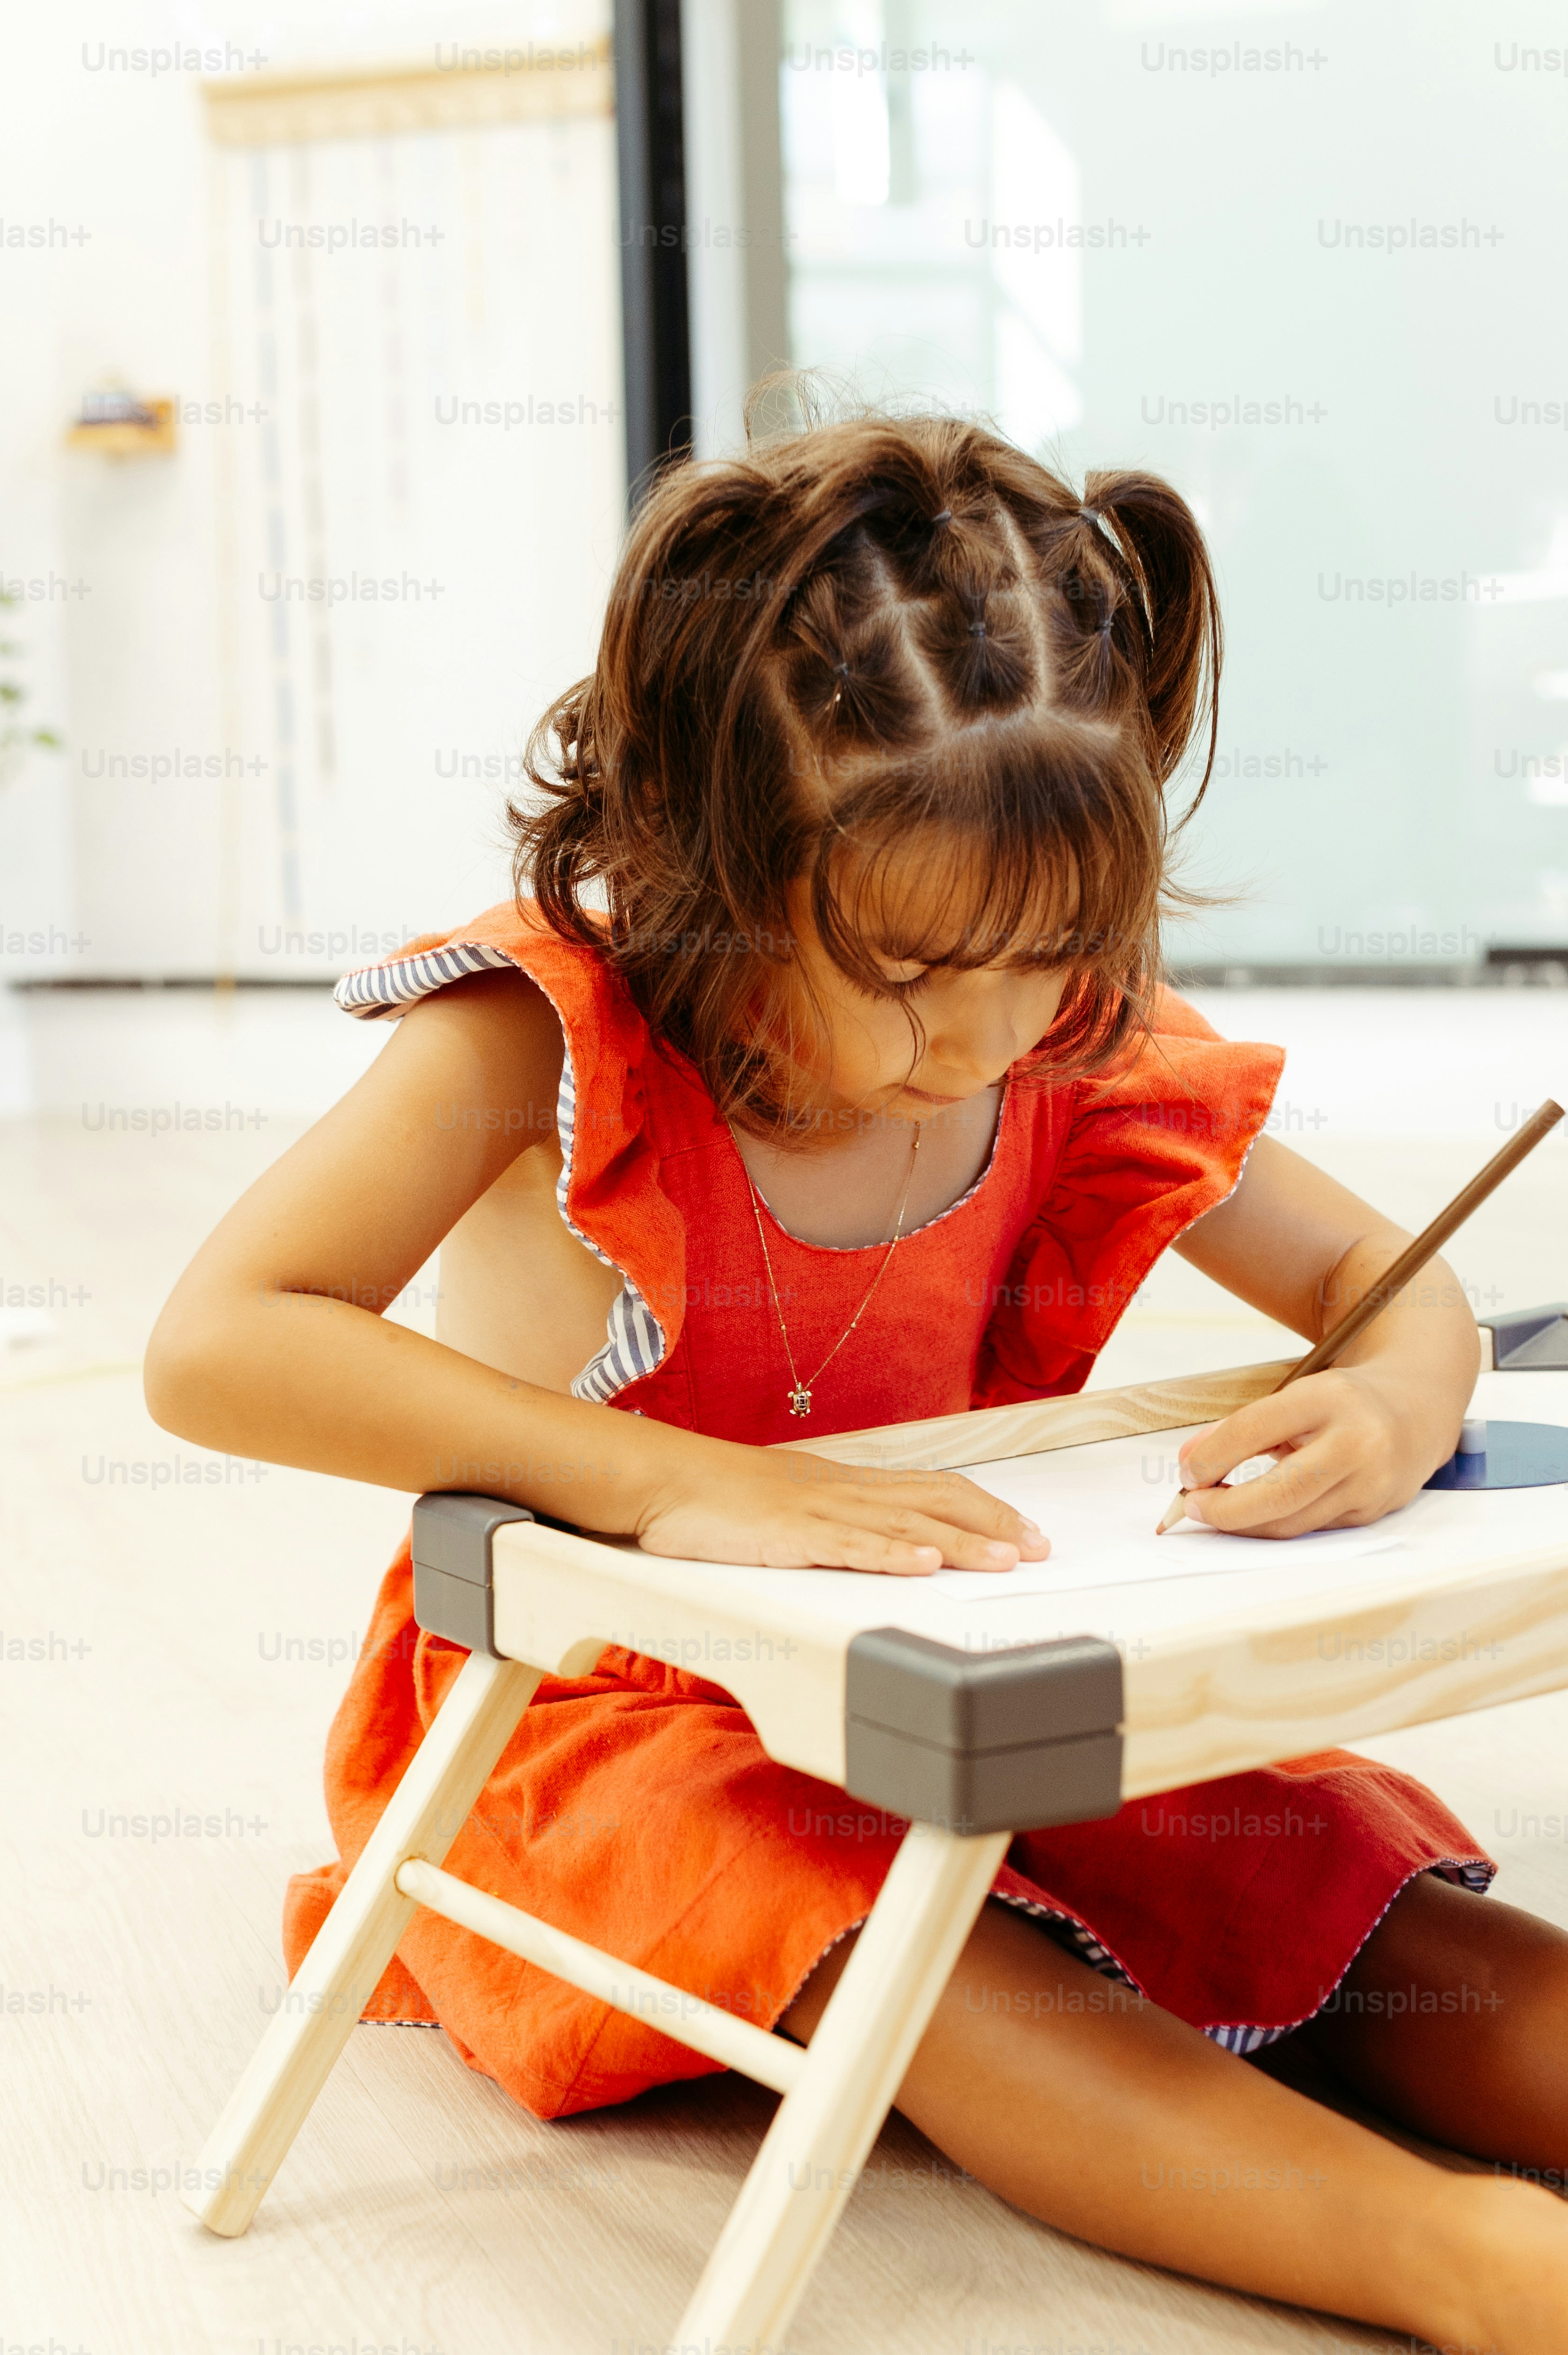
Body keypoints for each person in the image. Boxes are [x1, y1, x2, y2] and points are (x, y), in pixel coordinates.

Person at [146, 411, 1568, 2350]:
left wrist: (1399, 1396)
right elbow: (220, 1339)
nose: (981, 1036)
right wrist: (661, 1480)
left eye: (1050, 956)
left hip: (958, 1646)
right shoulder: (542, 1029)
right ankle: (1478, 2274)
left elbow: (1386, 1285)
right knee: (941, 1970)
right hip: (619, 1707)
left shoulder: (1061, 1030)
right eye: (905, 967)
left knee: (1338, 1884)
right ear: (709, 856)